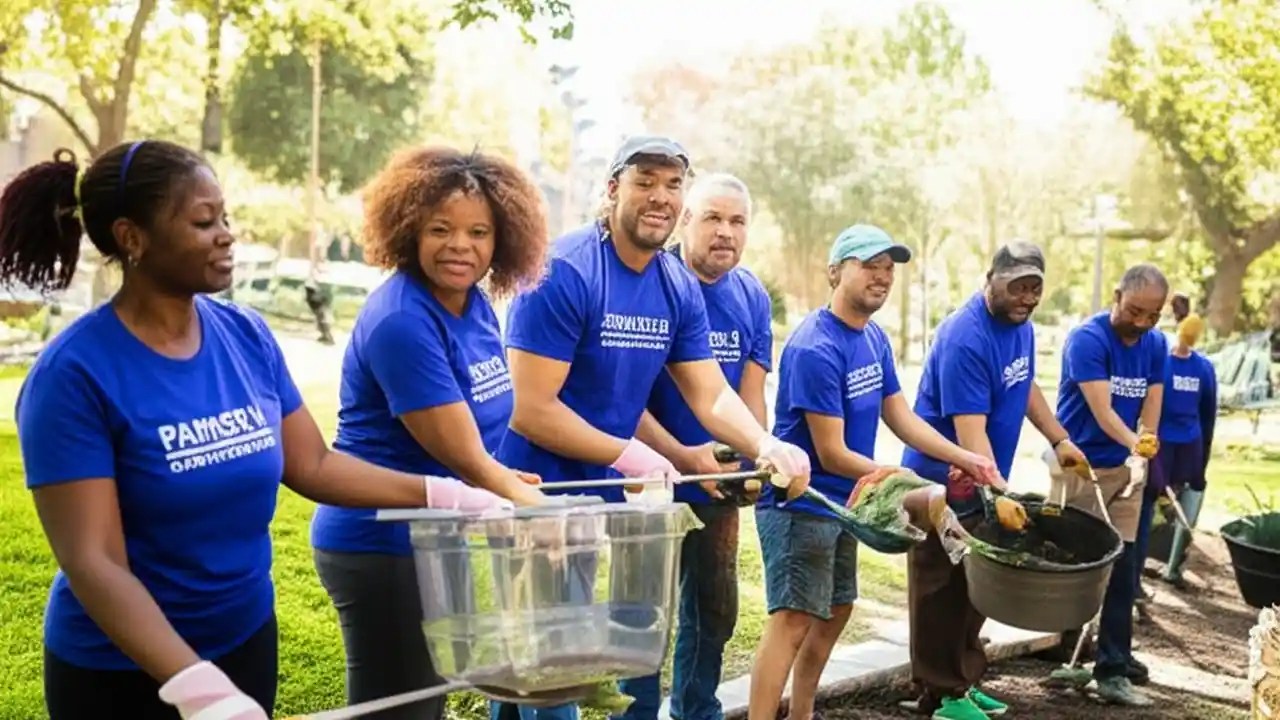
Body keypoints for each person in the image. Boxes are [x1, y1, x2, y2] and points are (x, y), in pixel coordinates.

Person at [2, 142, 513, 720]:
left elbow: (313, 465)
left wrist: (441, 494)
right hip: (122, 670)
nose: (226, 235)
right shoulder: (73, 375)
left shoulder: (244, 335)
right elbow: (94, 561)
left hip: (243, 639)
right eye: (202, 221)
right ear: (131, 237)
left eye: (225, 218)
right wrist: (195, 686)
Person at [492, 136, 812, 720]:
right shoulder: (564, 270)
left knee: (542, 671)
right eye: (645, 181)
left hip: (599, 487)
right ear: (613, 188)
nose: (660, 197)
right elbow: (530, 408)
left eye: (672, 184)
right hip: (537, 486)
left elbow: (710, 392)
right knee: (553, 670)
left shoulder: (675, 285)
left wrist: (765, 443)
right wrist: (633, 455)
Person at [309, 146, 551, 720]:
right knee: (396, 711)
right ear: (409, 229)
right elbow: (464, 455)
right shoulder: (402, 320)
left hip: (437, 533)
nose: (460, 246)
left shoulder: (475, 306)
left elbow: (474, 443)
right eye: (440, 229)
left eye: (479, 232)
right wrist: (533, 507)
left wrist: (505, 480)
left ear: (502, 240)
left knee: (428, 699)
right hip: (381, 544)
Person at [749, 224, 1002, 720]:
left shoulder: (873, 338)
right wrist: (908, 484)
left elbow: (901, 416)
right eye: (869, 265)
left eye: (888, 268)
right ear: (835, 271)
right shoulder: (814, 348)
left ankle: (801, 713)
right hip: (801, 504)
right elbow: (832, 453)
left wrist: (963, 457)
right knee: (793, 620)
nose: (882, 277)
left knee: (836, 610)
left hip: (846, 505)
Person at [899, 241, 1090, 720]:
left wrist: (1060, 439)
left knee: (975, 587)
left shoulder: (1019, 328)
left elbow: (1025, 385)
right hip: (940, 488)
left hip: (980, 484)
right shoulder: (966, 337)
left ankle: (961, 680)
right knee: (941, 589)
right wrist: (998, 493)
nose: (1027, 297)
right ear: (991, 280)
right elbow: (970, 432)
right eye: (1017, 286)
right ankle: (942, 694)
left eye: (1035, 288)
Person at [639, 173, 772, 720]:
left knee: (714, 608)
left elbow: (751, 394)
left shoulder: (751, 295)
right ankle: (637, 713)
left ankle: (697, 709)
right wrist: (677, 457)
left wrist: (754, 460)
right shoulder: (655, 282)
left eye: (737, 221)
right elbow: (624, 400)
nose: (725, 233)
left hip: (718, 482)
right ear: (685, 221)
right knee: (646, 615)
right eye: (712, 218)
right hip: (650, 477)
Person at [1050, 263, 1168, 706]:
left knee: (1124, 566)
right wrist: (1135, 444)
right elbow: (1102, 412)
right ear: (1116, 296)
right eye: (1134, 311)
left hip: (1126, 469)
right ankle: (1067, 652)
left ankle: (1113, 667)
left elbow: (1152, 401)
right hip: (1079, 466)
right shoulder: (1088, 339)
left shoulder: (1155, 343)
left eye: (1152, 316)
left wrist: (1144, 452)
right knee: (1074, 565)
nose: (1141, 323)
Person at [1154, 314, 1217, 587]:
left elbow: (1207, 414)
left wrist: (1203, 458)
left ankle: (1174, 566)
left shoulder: (1202, 367)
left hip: (1188, 446)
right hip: (1162, 445)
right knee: (1153, 503)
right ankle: (1153, 560)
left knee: (1185, 503)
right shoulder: (1163, 364)